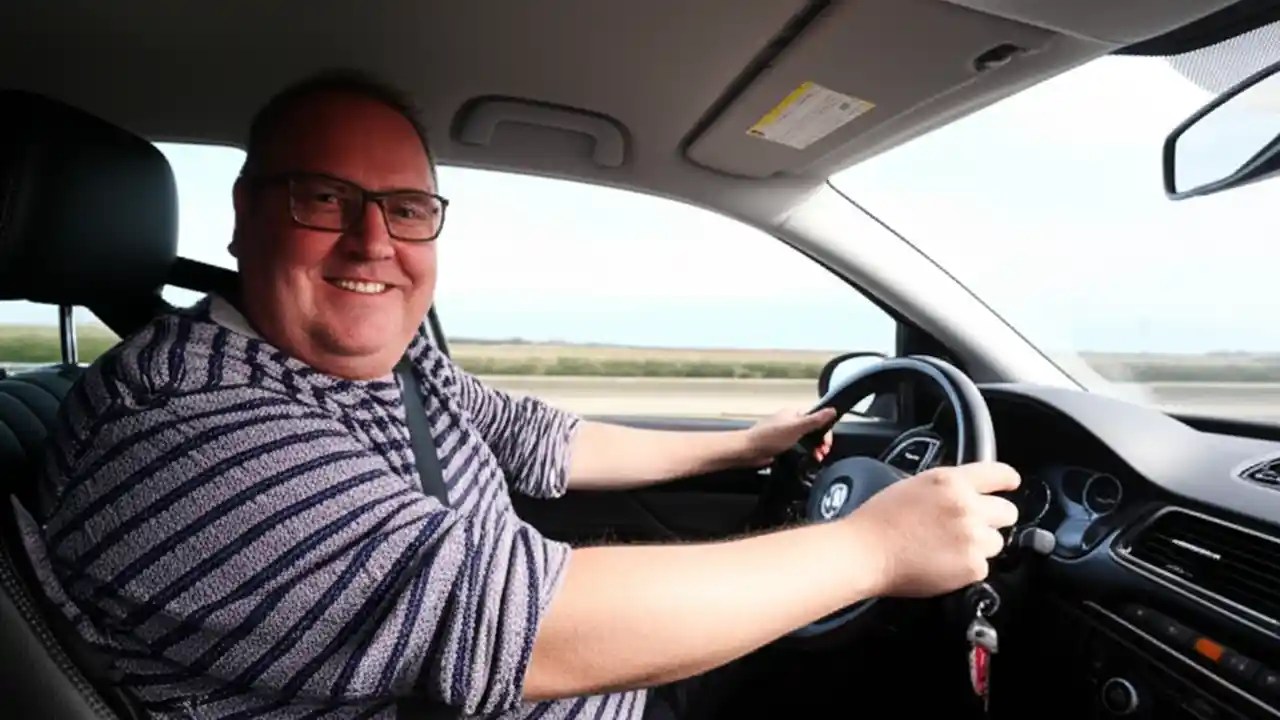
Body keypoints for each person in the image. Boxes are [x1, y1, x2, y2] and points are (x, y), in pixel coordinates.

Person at [18, 70, 1019, 720]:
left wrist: (742, 444)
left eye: (406, 210)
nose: (374, 242)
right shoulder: (184, 426)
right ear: (245, 218)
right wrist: (872, 547)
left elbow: (536, 438)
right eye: (323, 199)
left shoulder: (376, 366)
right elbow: (514, 624)